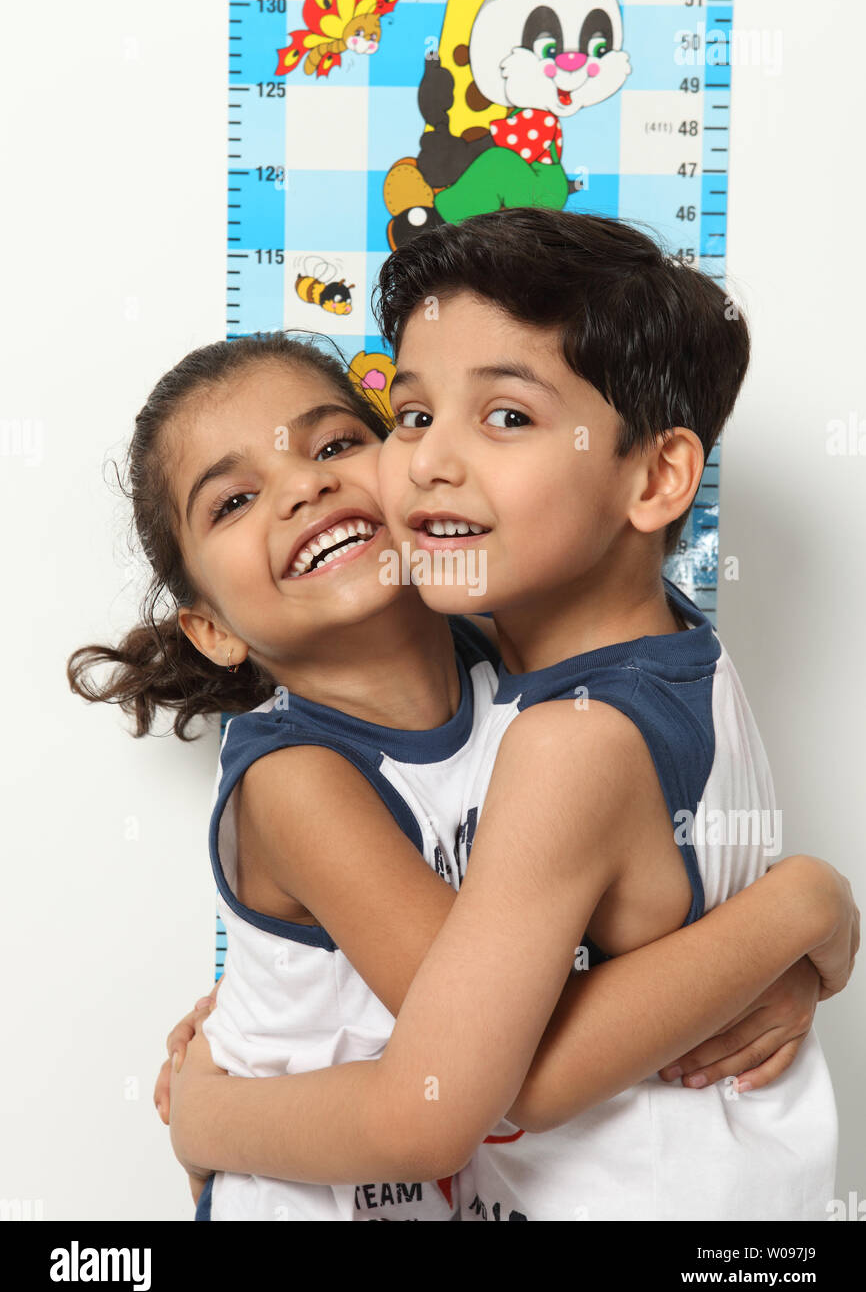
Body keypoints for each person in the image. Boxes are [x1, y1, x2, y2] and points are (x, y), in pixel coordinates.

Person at [166, 210, 856, 1221]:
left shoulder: (563, 738)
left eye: (505, 418)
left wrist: (202, 1116)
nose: (432, 461)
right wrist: (804, 926)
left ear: (657, 477)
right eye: (410, 416)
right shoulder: (669, 645)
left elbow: (497, 1084)